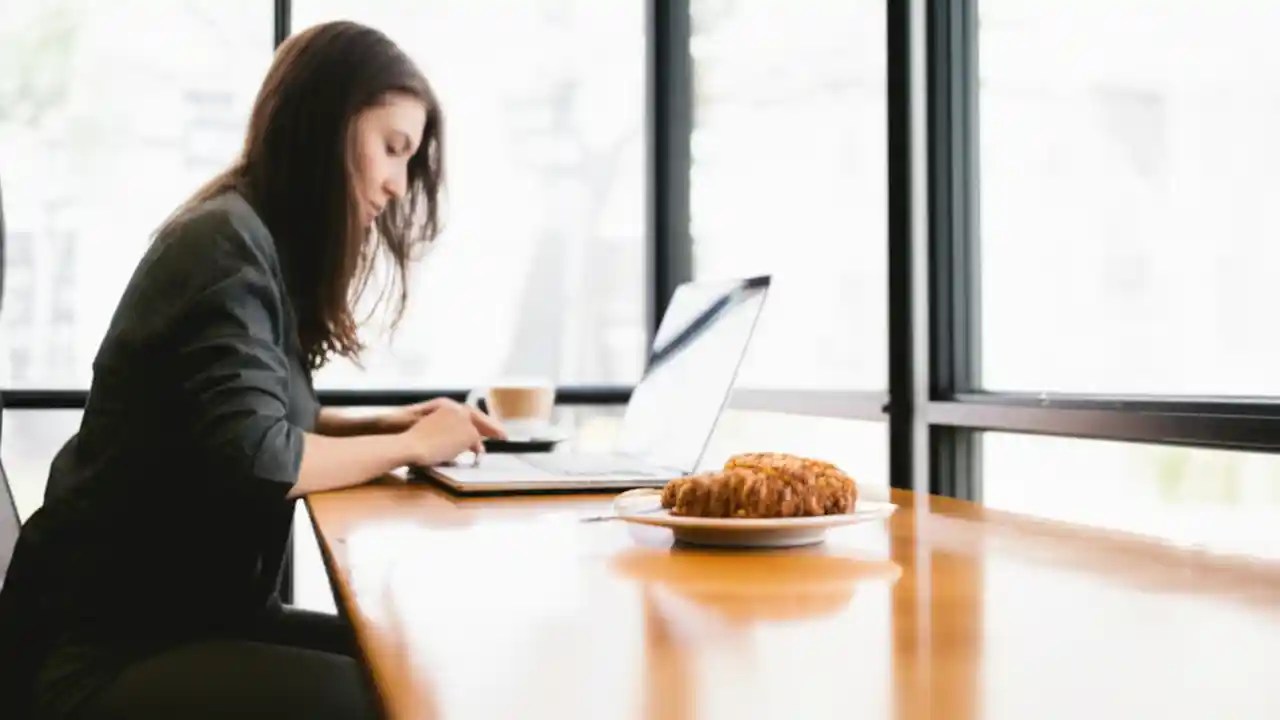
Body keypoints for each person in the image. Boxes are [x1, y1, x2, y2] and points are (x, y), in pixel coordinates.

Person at [0, 21, 504, 719]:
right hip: (104, 656)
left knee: (418, 664)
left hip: (190, 621)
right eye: (392, 149)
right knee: (402, 699)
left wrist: (384, 423)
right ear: (328, 122)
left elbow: (256, 420)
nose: (395, 184)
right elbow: (255, 457)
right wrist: (414, 446)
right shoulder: (223, 246)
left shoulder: (249, 239)